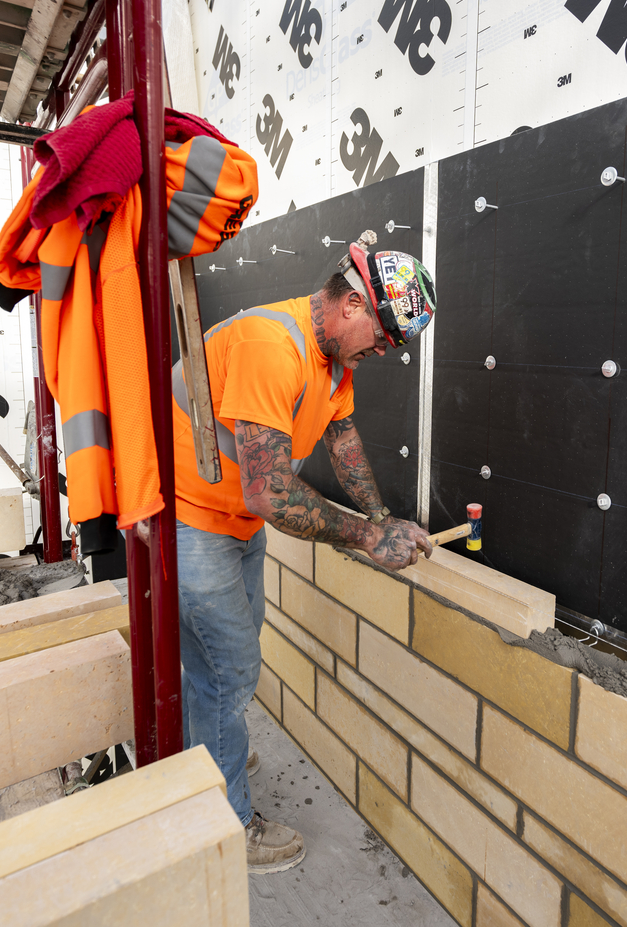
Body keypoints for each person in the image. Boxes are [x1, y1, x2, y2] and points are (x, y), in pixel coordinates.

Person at [169, 232, 437, 873]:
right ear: (352, 305)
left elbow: (343, 444)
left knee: (223, 663)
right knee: (230, 671)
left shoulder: (333, 361)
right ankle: (225, 830)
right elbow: (270, 494)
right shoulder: (273, 347)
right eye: (383, 336)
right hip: (191, 517)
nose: (382, 351)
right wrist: (370, 539)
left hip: (233, 523)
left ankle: (209, 748)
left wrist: (381, 515)